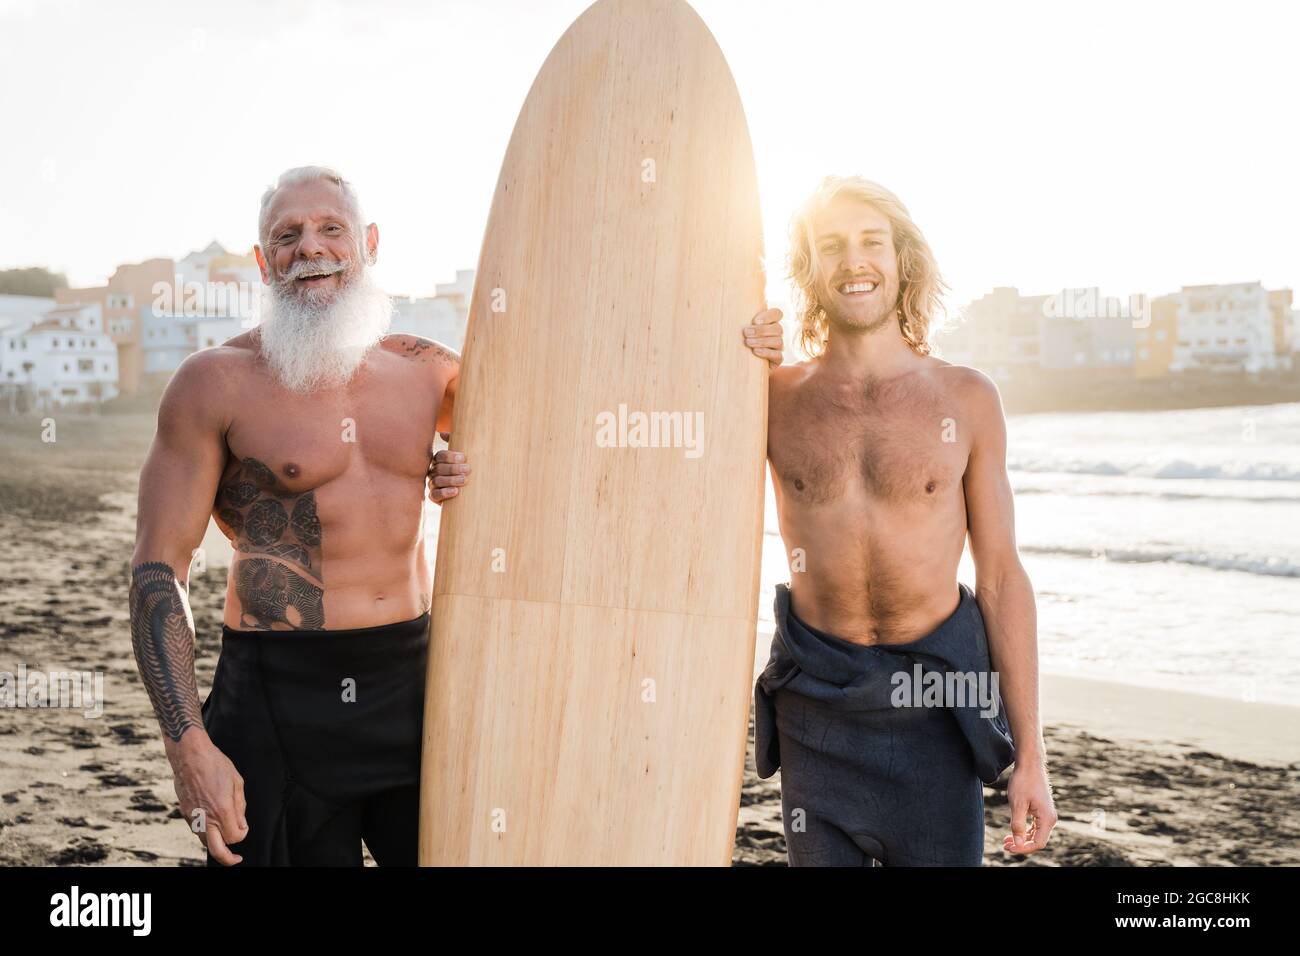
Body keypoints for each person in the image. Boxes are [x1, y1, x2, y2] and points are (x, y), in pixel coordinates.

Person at [129, 166, 469, 866]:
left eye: (330, 229)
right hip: (277, 701)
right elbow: (159, 570)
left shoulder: (429, 373)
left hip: (417, 687)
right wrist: (187, 746)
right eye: (287, 236)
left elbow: (558, 440)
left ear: (367, 243)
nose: (309, 248)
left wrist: (749, 347)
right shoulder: (213, 382)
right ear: (263, 261)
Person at [741, 175, 1057, 865]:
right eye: (831, 246)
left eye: (871, 242)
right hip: (817, 709)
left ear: (902, 260)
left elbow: (1001, 577)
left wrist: (1032, 754)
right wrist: (729, 344)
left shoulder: (966, 398)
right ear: (811, 270)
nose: (853, 261)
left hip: (936, 713)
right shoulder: (770, 396)